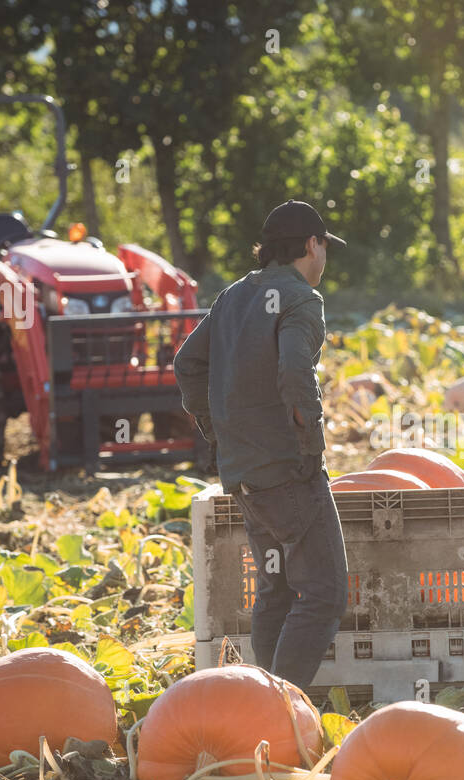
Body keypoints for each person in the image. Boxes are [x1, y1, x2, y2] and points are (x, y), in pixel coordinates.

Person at [173, 200, 349, 688]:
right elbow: (295, 370)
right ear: (312, 245)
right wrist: (309, 446)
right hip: (286, 470)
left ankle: (262, 701)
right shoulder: (299, 298)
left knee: (277, 588)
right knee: (324, 594)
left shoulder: (234, 295)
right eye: (323, 248)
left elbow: (187, 363)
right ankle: (282, 708)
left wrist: (219, 432)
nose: (324, 259)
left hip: (244, 472)